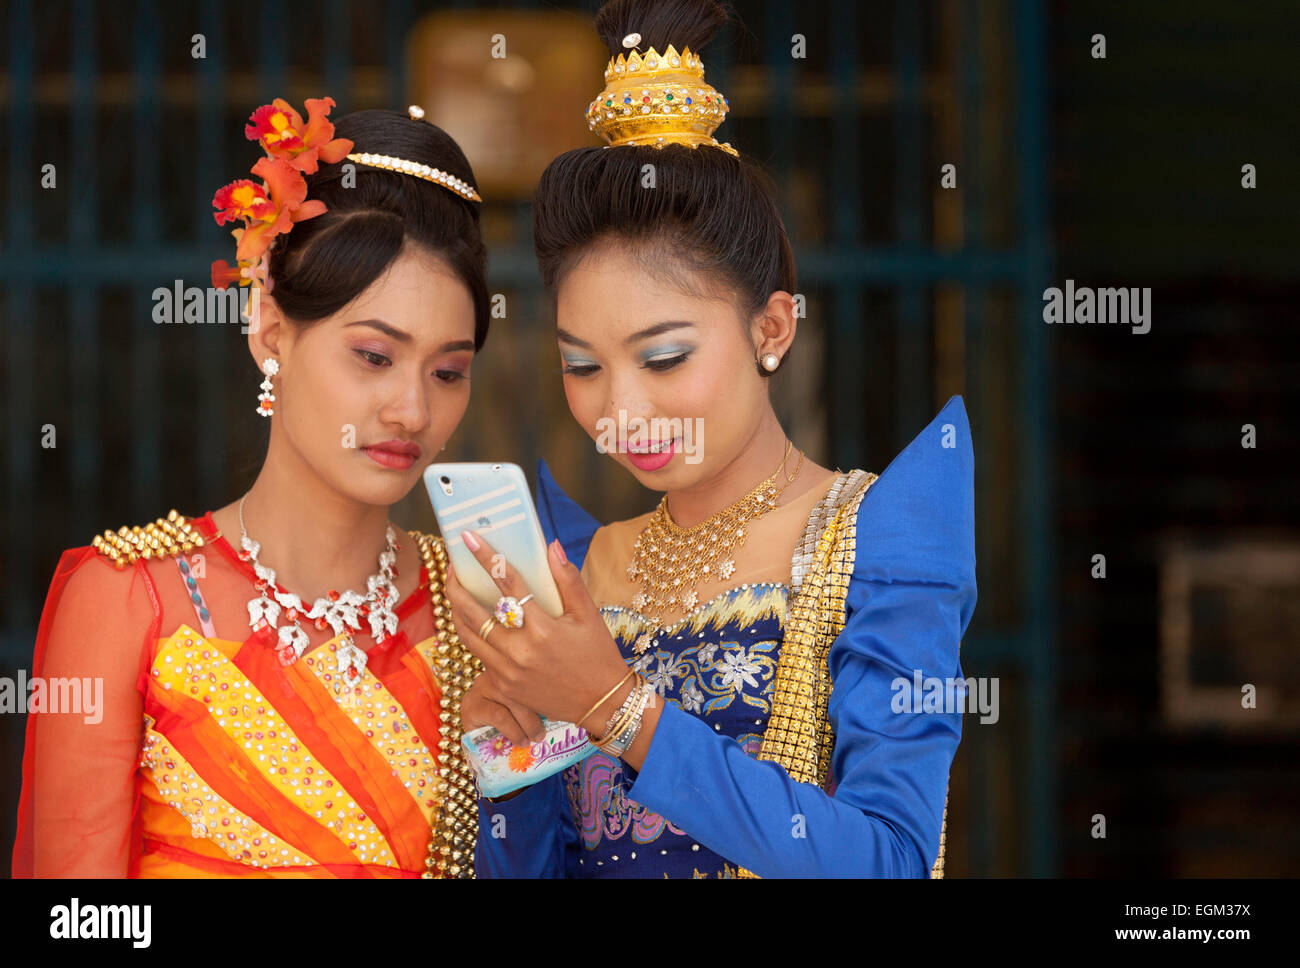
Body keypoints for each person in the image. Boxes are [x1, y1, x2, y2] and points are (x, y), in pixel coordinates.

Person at [448, 0, 977, 878]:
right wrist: (511, 762)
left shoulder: (874, 539)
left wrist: (621, 709)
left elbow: (890, 859)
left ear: (772, 329)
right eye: (582, 367)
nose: (621, 408)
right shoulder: (582, 565)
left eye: (663, 357)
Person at [12, 100, 486, 878]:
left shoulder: (476, 604)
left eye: (448, 372)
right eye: (373, 355)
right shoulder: (128, 601)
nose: (413, 410)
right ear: (269, 330)